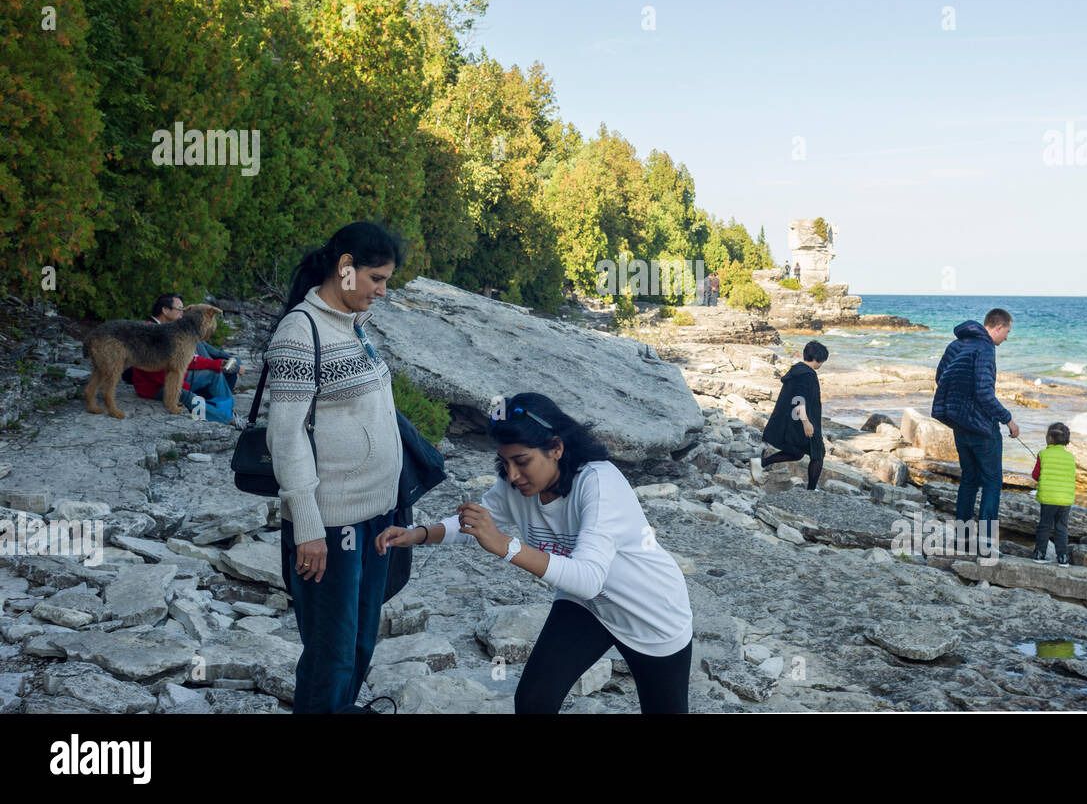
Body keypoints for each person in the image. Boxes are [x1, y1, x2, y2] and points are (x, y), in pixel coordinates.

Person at [376, 392, 694, 714]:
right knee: (533, 702)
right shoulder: (516, 485)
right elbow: (476, 523)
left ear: (556, 448)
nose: (512, 475)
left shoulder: (598, 484)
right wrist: (418, 534)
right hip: (589, 607)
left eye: (522, 461)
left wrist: (504, 545)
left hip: (651, 612)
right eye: (505, 462)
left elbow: (588, 578)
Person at [267, 221, 405, 714]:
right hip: (331, 524)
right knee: (332, 653)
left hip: (376, 516)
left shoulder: (355, 327)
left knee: (362, 640)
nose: (382, 291)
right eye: (376, 278)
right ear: (345, 268)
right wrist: (307, 526)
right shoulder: (299, 333)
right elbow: (284, 437)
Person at [931, 309, 1019, 547]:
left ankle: (963, 537)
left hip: (959, 423)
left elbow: (941, 378)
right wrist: (1008, 419)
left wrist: (962, 403)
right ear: (998, 327)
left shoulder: (956, 345)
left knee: (969, 479)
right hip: (981, 428)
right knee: (992, 481)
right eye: (1007, 332)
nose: (1006, 338)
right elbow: (984, 393)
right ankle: (987, 543)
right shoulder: (985, 348)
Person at [131, 293, 244, 426]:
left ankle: (226, 412)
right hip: (154, 386)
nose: (182, 314)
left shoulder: (170, 331)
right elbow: (152, 370)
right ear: (165, 310)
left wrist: (216, 364)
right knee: (186, 395)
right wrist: (183, 385)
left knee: (215, 374)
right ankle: (227, 420)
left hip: (175, 377)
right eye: (179, 309)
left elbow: (186, 360)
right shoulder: (149, 331)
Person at [751, 340, 828, 490]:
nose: (821, 364)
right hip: (802, 420)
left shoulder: (797, 370)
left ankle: (761, 463)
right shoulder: (807, 375)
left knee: (797, 452)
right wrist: (806, 422)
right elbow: (799, 399)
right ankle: (811, 490)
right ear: (817, 358)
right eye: (822, 360)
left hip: (791, 420)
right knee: (818, 454)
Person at [1030, 422, 1075, 566]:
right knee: (1062, 528)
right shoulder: (1070, 457)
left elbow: (1035, 475)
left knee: (1044, 526)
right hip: (1064, 499)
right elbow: (1071, 477)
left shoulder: (1043, 454)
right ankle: (1063, 557)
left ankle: (1039, 554)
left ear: (1050, 438)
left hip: (1048, 498)